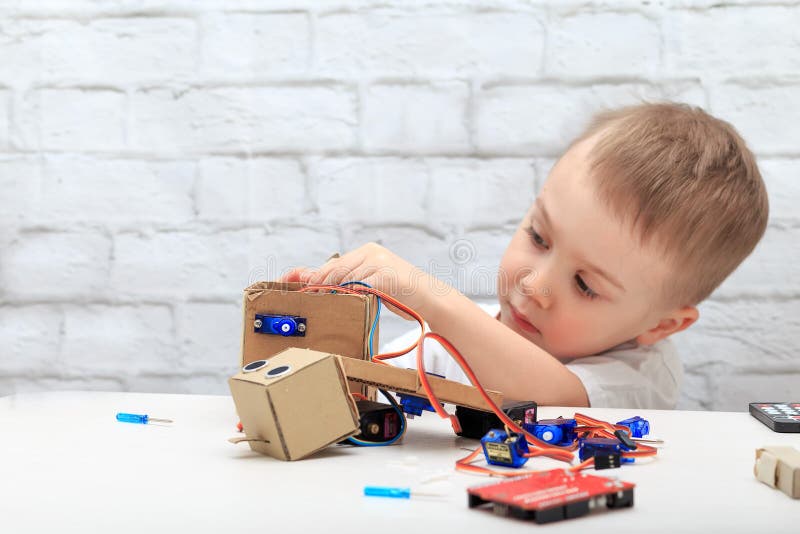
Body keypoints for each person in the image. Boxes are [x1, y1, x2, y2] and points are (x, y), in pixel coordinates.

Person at [280, 103, 769, 409]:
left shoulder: (640, 379)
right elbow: (368, 381)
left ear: (661, 325)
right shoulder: (457, 333)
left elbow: (548, 395)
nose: (534, 285)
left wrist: (426, 295)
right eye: (539, 237)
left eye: (585, 285)